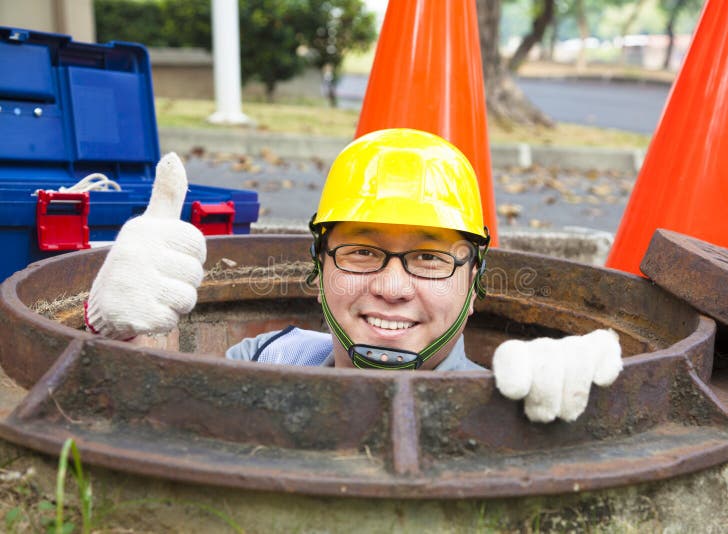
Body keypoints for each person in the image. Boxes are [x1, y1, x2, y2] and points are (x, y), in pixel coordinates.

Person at [85, 128, 622, 422]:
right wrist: (128, 334)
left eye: (430, 258)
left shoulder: (508, 402)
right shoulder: (270, 358)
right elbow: (162, 421)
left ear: (474, 282)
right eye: (362, 253)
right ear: (318, 271)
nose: (391, 288)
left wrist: (574, 421)